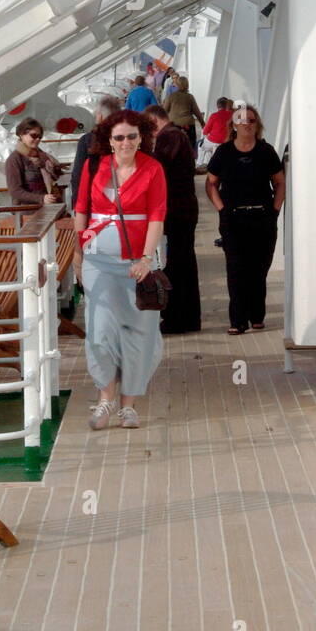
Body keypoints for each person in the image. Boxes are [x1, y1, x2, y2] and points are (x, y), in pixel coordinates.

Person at [73, 109, 167, 430]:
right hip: (98, 259)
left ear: (141, 138)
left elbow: (156, 216)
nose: (125, 142)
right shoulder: (94, 166)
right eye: (119, 137)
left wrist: (146, 258)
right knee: (99, 332)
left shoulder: (153, 169)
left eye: (131, 136)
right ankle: (105, 399)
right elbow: (81, 210)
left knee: (138, 332)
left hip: (136, 263)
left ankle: (129, 405)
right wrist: (78, 254)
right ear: (109, 141)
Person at [205, 104, 285, 335]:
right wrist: (222, 209)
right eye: (241, 120)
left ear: (257, 124)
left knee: (259, 269)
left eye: (251, 120)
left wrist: (274, 210)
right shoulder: (224, 152)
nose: (246, 124)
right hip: (233, 219)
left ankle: (257, 315)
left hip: (262, 218)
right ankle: (238, 320)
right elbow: (211, 183)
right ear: (233, 125)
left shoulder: (266, 152)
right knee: (236, 270)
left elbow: (279, 182)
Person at [145, 105, 201, 333]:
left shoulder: (169, 136)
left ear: (153, 120)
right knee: (184, 263)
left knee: (176, 264)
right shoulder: (176, 135)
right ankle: (188, 318)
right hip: (183, 208)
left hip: (177, 210)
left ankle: (177, 318)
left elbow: (158, 168)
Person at [70, 94, 122, 202]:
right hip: (121, 199)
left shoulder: (87, 140)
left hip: (94, 199)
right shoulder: (125, 140)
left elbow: (78, 176)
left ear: (100, 116)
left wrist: (77, 204)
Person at [5, 118, 64, 205]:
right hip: (28, 209)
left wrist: (56, 169)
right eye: (34, 135)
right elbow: (15, 191)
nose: (37, 139)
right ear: (21, 135)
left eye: (40, 137)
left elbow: (57, 176)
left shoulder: (43, 156)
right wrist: (41, 198)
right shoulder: (14, 159)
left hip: (50, 204)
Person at [166, 74, 205, 151]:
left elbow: (165, 110)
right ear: (187, 85)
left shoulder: (171, 96)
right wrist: (202, 123)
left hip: (174, 124)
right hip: (188, 125)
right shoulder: (190, 97)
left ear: (177, 85)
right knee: (190, 146)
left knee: (174, 146)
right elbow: (197, 112)